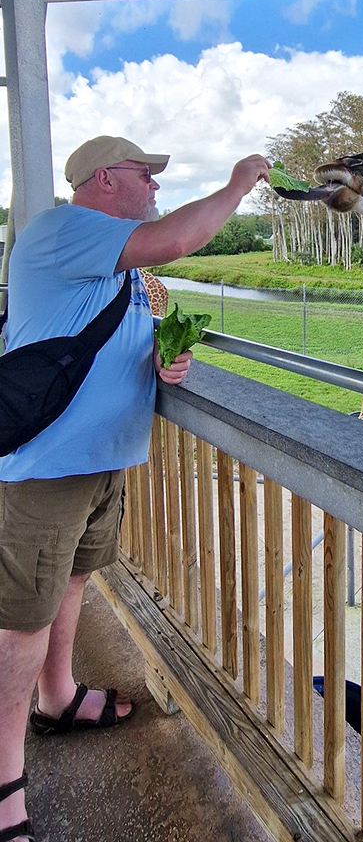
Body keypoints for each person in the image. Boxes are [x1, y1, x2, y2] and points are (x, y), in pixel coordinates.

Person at [0, 136, 271, 842]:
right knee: (20, 621)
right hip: (47, 468)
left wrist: (163, 362)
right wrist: (241, 183)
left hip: (99, 463)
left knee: (71, 586)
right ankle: (3, 786)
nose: (154, 185)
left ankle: (57, 699)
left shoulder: (116, 266)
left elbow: (130, 341)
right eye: (144, 174)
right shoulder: (62, 229)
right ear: (103, 179)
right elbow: (179, 237)